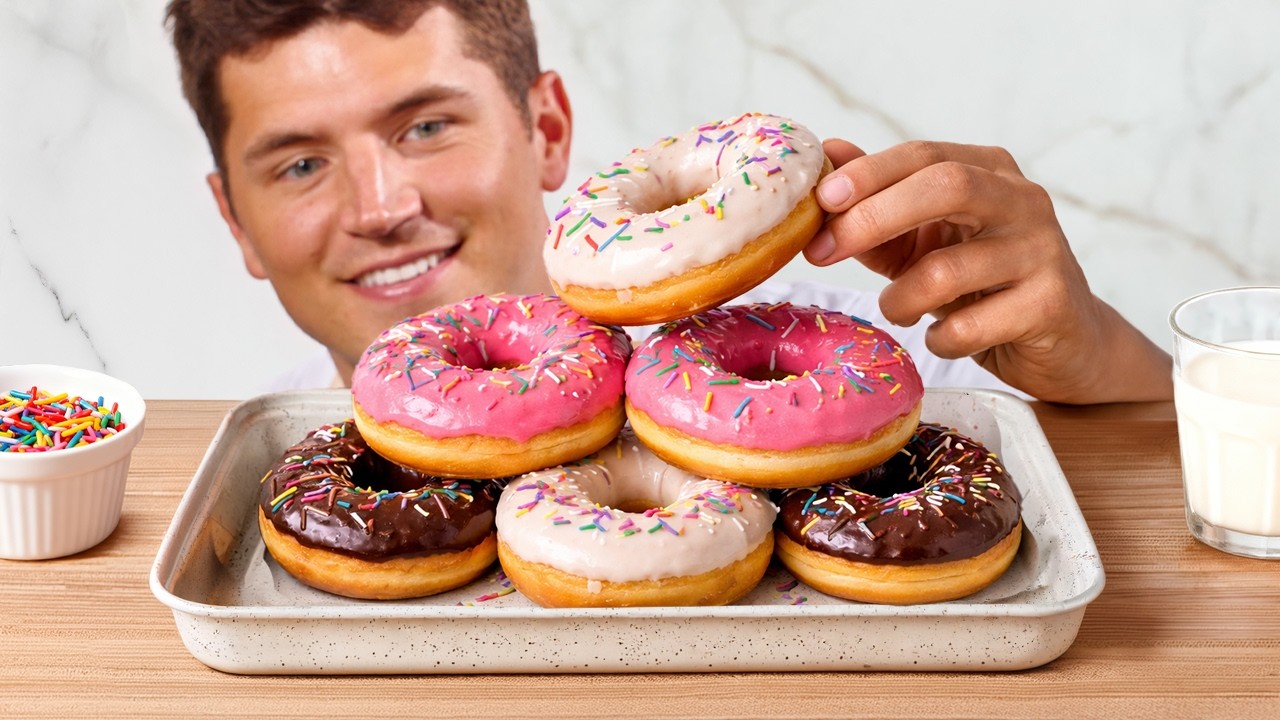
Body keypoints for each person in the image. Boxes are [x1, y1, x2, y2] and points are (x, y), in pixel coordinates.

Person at [165, 0, 1173, 404]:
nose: (381, 206)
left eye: (426, 126)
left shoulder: (842, 361)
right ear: (233, 222)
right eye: (298, 165)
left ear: (547, 130)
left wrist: (1099, 361)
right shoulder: (253, 472)